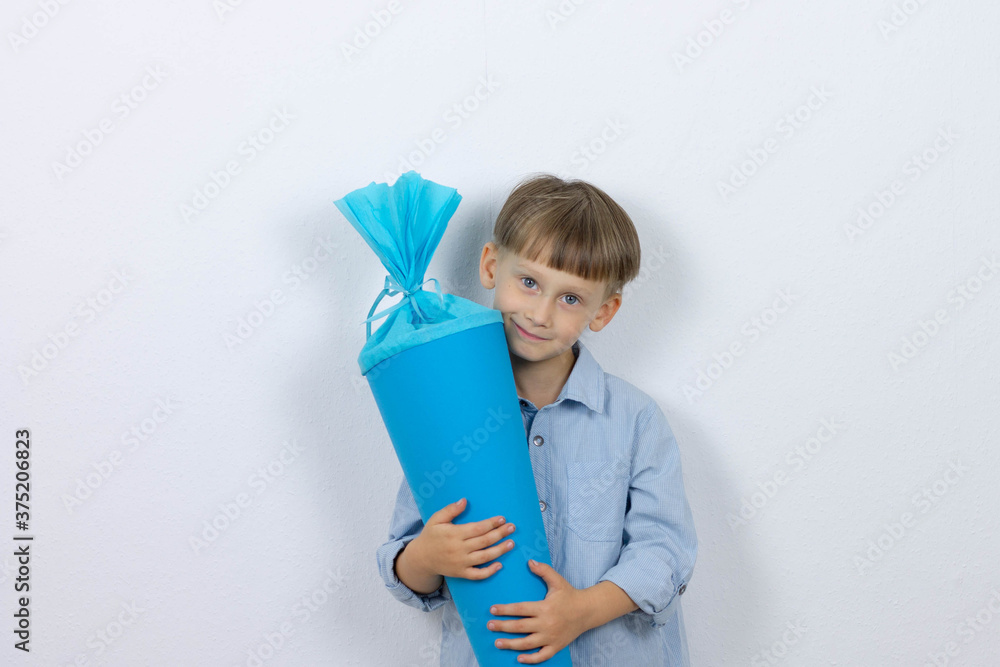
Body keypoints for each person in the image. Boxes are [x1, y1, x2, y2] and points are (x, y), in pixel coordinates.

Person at [375, 173, 698, 665]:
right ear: (490, 266)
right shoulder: (450, 415)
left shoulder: (635, 419)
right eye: (529, 282)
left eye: (570, 298)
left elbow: (666, 553)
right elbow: (404, 565)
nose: (540, 313)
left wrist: (581, 612)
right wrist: (426, 557)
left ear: (603, 311)